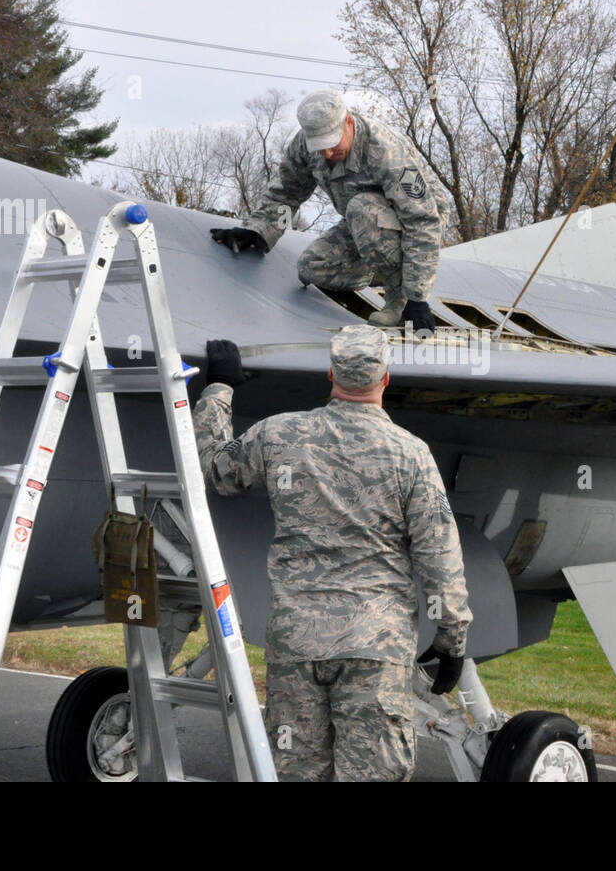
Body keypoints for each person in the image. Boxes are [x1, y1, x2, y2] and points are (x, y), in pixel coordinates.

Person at [192, 326, 471, 781]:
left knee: (296, 773)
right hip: (374, 645)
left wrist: (219, 388)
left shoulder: (279, 434)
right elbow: (438, 550)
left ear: (330, 374)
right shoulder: (411, 455)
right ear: (385, 379)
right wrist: (452, 636)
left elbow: (216, 470)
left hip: (297, 642)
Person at [214, 89, 450, 332]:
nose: (326, 154)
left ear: (348, 122)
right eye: (319, 147)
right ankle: (385, 266)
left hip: (416, 220)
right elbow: (288, 192)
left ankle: (397, 298)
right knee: (312, 267)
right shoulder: (304, 147)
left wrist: (416, 297)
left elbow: (423, 219)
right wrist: (259, 230)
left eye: (331, 144)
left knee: (361, 208)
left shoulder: (385, 150)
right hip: (365, 223)